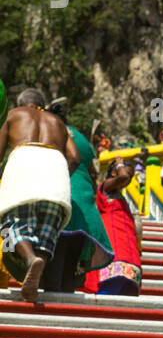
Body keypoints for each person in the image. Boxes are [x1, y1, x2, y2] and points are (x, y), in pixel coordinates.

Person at [0, 88, 80, 301]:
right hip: (55, 171)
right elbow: (74, 158)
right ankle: (37, 267)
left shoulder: (13, 115)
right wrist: (60, 177)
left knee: (9, 225)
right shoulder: (59, 123)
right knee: (47, 232)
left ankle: (29, 259)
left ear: (21, 102)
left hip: (23, 163)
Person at [40, 106, 114, 295]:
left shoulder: (49, 130)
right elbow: (89, 166)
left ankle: (50, 318)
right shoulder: (81, 137)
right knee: (69, 273)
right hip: (85, 206)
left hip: (61, 201)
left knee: (52, 273)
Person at [83, 158, 143, 296]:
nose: (129, 177)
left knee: (123, 295)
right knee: (109, 290)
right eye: (128, 171)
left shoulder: (119, 195)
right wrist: (120, 163)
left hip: (128, 250)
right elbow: (123, 177)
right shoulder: (106, 187)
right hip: (116, 249)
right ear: (115, 171)